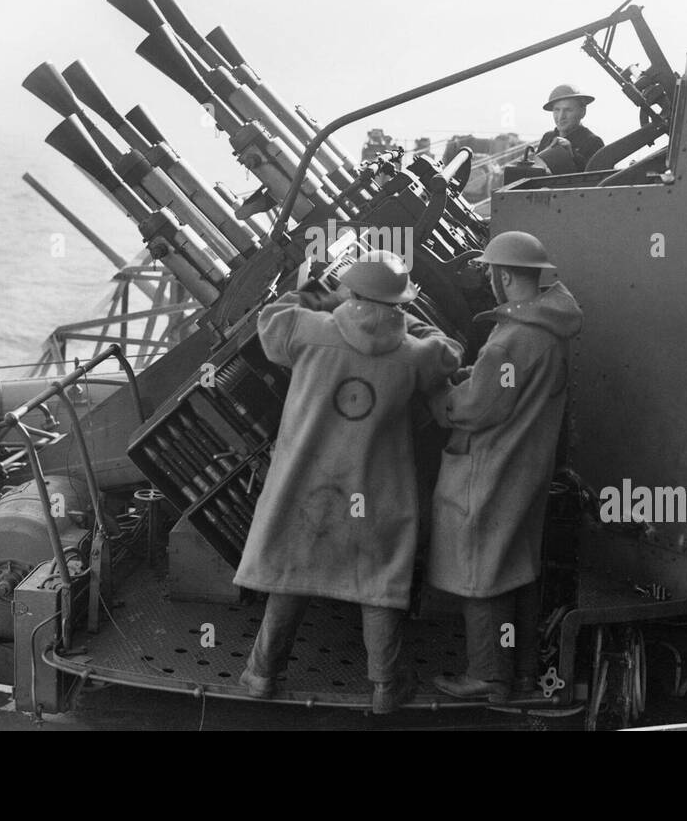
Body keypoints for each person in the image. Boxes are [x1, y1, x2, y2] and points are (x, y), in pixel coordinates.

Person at [234, 250, 463, 714]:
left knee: (289, 573)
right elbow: (450, 353)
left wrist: (318, 293)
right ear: (399, 302)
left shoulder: (306, 330)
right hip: (374, 492)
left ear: (350, 291)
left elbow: (270, 318)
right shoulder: (414, 355)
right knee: (377, 586)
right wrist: (405, 320)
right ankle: (384, 686)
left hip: (307, 485)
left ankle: (261, 675)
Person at [426, 231, 583, 702]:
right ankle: (521, 673)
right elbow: (511, 388)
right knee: (515, 568)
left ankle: (487, 677)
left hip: (489, 469)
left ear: (507, 276)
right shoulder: (548, 328)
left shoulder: (511, 339)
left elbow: (474, 409)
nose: (489, 281)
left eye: (492, 273)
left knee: (478, 572)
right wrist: (479, 376)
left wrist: (440, 392)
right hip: (527, 467)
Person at [535, 84, 604, 173]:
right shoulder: (548, 137)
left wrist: (572, 155)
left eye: (568, 110)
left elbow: (594, 179)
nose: (560, 117)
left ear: (582, 112)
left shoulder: (593, 142)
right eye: (557, 110)